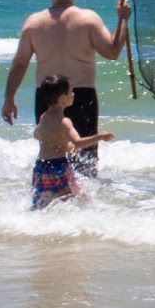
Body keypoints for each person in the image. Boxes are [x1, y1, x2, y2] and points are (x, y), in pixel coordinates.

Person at [2, 0, 131, 178]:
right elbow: (112, 51)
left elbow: (20, 63)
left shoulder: (33, 23)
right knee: (85, 161)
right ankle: (81, 206)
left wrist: (9, 97)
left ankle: (50, 202)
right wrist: (123, 20)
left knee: (52, 155)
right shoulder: (88, 19)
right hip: (80, 95)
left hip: (47, 96)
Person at [32, 74, 115, 208]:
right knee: (80, 196)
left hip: (41, 167)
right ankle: (95, 214)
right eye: (71, 91)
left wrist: (64, 144)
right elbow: (78, 142)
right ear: (62, 98)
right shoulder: (64, 121)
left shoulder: (44, 117)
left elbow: (37, 135)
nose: (73, 94)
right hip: (59, 166)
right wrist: (100, 136)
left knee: (42, 203)